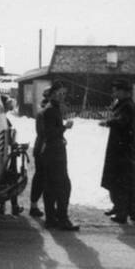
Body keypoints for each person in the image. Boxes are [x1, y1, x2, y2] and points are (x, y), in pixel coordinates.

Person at [99, 78, 135, 224]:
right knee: (126, 183)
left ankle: (122, 214)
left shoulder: (127, 106)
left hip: (122, 151)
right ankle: (132, 212)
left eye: (116, 90)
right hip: (124, 149)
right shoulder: (125, 104)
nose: (113, 92)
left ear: (124, 91)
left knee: (122, 183)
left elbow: (122, 121)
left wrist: (108, 122)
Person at [37, 83, 79, 230]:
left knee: (51, 186)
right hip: (54, 153)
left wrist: (61, 134)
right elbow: (50, 133)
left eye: (64, 94)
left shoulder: (53, 108)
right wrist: (64, 128)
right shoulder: (50, 110)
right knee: (63, 186)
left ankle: (51, 218)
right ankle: (62, 219)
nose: (62, 96)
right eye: (60, 94)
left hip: (52, 151)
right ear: (53, 93)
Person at [28, 88, 52, 218]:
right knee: (41, 178)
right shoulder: (44, 112)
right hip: (43, 148)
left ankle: (34, 205)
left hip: (42, 147)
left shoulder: (45, 110)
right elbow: (44, 132)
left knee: (41, 177)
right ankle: (34, 206)